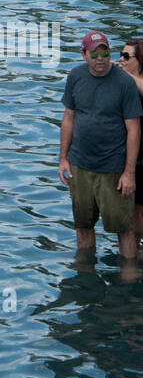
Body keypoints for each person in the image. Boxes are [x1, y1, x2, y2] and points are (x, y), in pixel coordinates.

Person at [58, 30, 142, 262]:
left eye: (105, 53)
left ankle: (127, 281)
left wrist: (129, 173)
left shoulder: (124, 82)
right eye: (94, 54)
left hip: (113, 169)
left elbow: (134, 128)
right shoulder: (75, 76)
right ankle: (85, 277)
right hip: (80, 166)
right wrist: (63, 159)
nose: (101, 58)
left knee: (124, 230)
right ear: (84, 54)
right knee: (83, 226)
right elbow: (68, 117)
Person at [118, 39, 143, 249]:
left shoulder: (136, 81)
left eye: (127, 56)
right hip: (131, 154)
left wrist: (129, 76)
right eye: (121, 55)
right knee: (134, 209)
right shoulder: (126, 83)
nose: (122, 60)